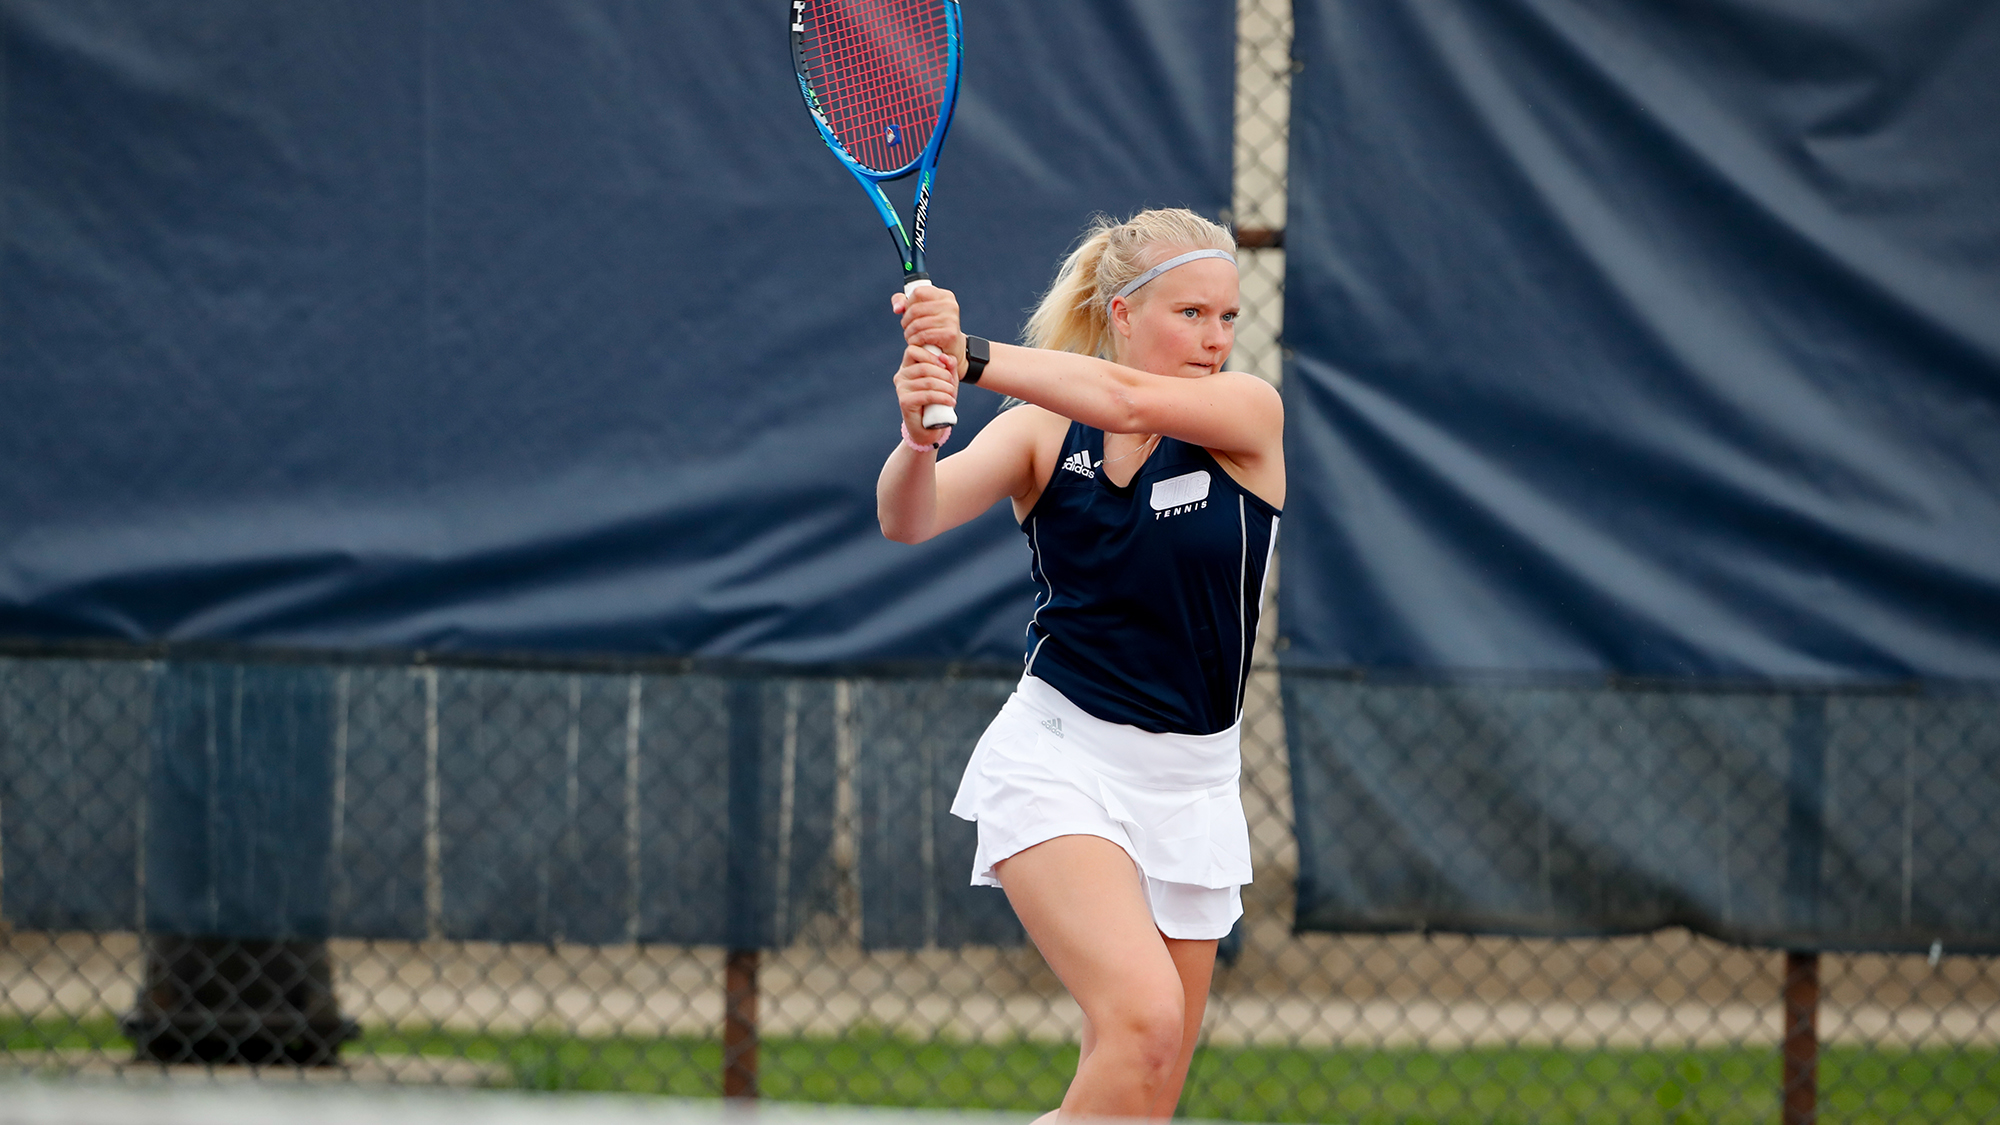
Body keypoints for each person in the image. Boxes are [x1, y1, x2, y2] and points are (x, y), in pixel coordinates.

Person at [876, 208, 1284, 1121]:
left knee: (1146, 1086)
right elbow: (909, 518)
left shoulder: (1247, 413)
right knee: (1143, 1022)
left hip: (1195, 786)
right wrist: (916, 441)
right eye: (1190, 314)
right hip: (1060, 756)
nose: (1215, 339)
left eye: (1228, 318)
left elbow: (1128, 402)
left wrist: (966, 350)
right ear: (1122, 312)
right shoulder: (1041, 433)